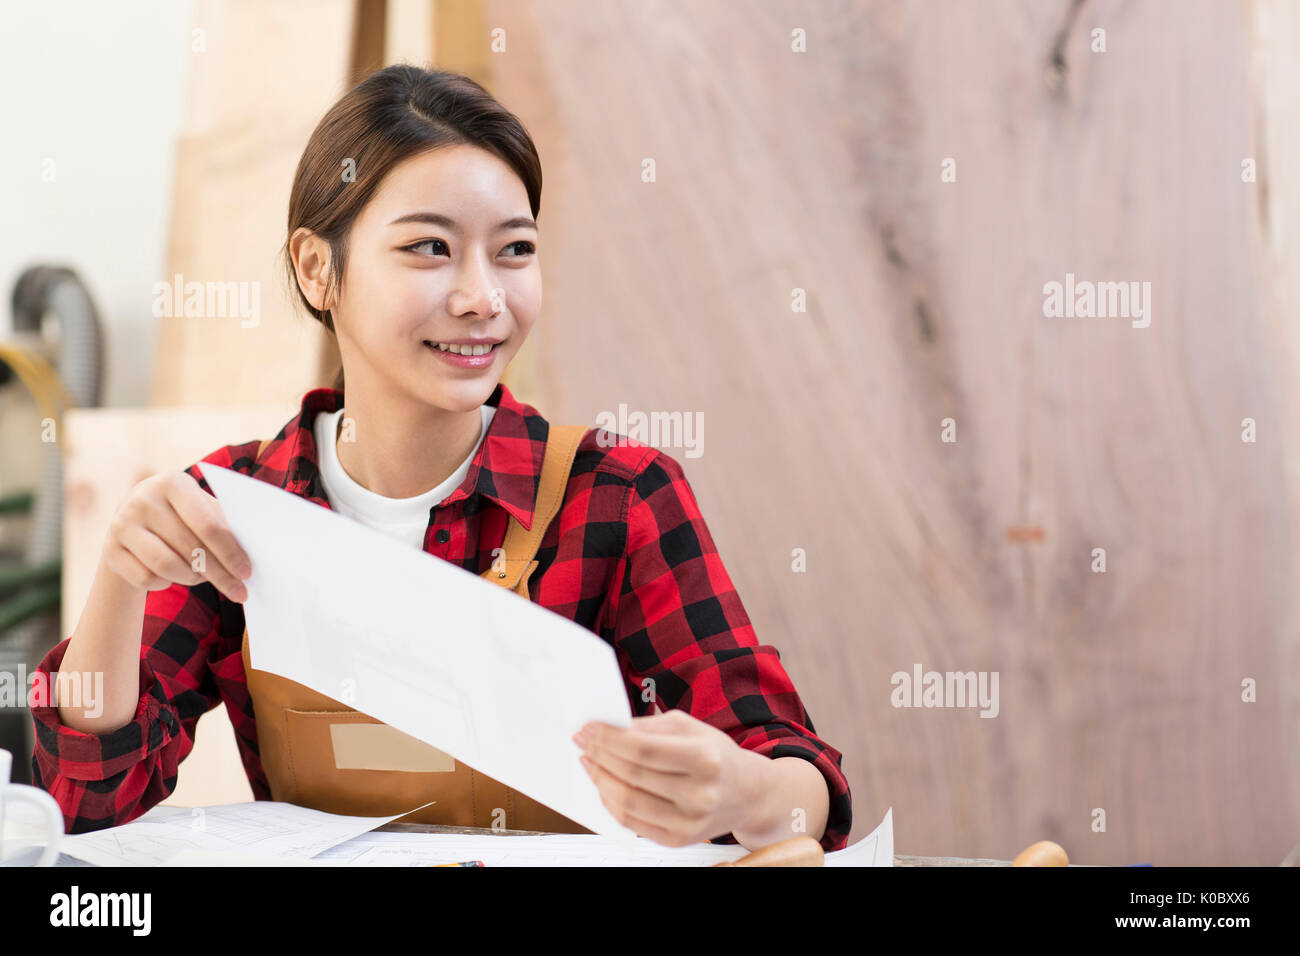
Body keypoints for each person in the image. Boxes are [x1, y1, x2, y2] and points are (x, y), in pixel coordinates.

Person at [30, 65, 852, 852]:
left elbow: (803, 789)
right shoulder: (238, 506)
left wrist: (744, 791)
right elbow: (87, 800)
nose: (482, 298)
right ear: (319, 269)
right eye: (430, 248)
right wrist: (119, 577)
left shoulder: (620, 497)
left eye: (514, 250)